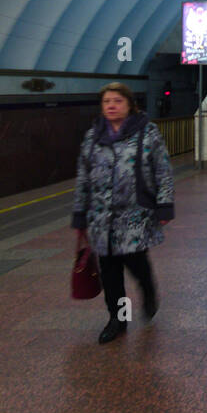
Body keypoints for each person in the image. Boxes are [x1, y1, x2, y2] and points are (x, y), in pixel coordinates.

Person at [71, 82, 175, 344]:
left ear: (130, 105)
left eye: (117, 101)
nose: (111, 106)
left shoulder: (146, 133)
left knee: (135, 262)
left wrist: (164, 204)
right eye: (107, 102)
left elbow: (162, 171)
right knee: (109, 270)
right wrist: (80, 213)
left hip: (135, 214)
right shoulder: (93, 136)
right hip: (100, 216)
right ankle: (116, 319)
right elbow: (83, 177)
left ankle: (148, 290)